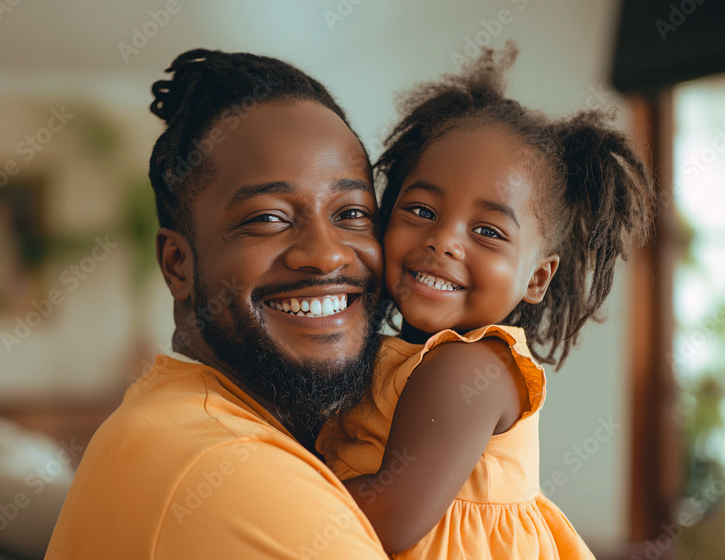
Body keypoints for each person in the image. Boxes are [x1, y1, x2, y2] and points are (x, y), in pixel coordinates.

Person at [44, 49, 391, 559]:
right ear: (178, 265)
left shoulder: (168, 416)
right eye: (268, 218)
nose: (326, 254)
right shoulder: (235, 473)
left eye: (353, 212)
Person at [315, 45, 656, 559]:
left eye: (488, 230)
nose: (445, 240)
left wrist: (259, 487)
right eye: (422, 209)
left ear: (537, 278)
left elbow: (389, 516)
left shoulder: (469, 366)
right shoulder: (397, 354)